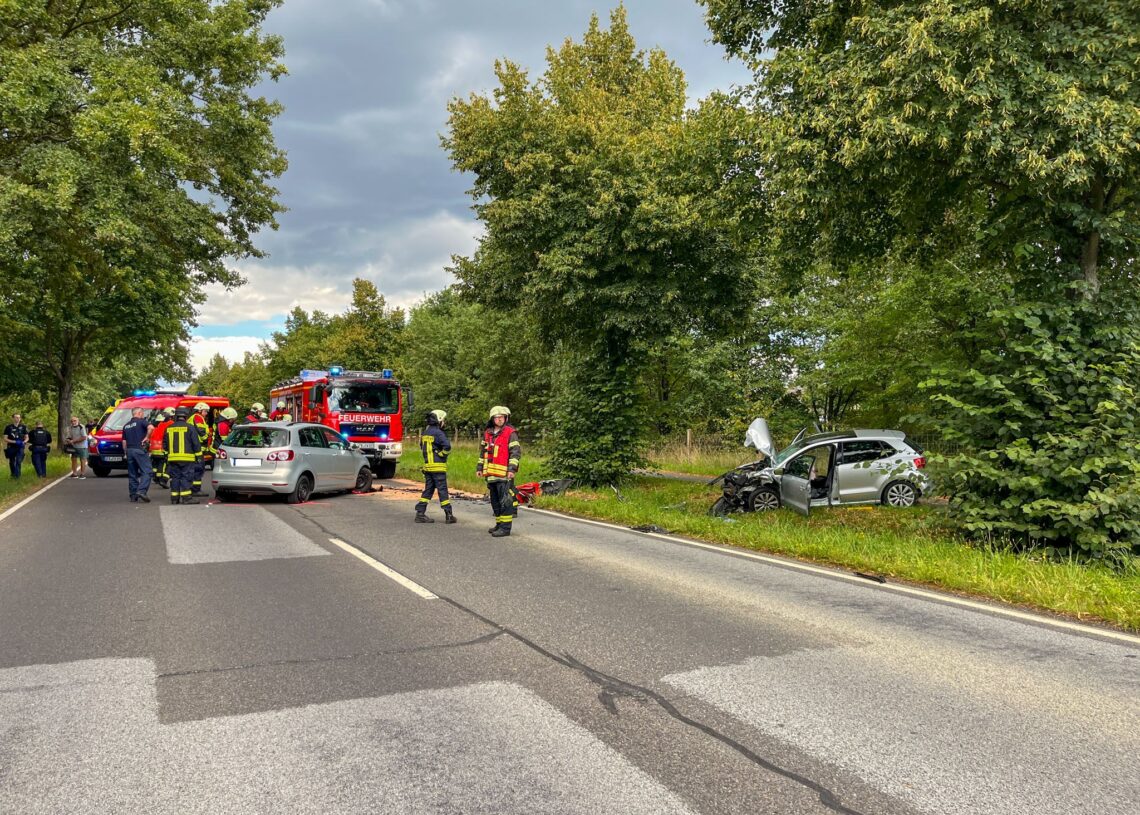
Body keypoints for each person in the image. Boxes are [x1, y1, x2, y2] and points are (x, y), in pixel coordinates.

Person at [477, 405, 521, 537]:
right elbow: (483, 452)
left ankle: (505, 528)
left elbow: (515, 453)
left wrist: (512, 469)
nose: (499, 419)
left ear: (506, 418)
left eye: (502, 417)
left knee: (505, 501)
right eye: (497, 417)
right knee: (495, 501)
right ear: (492, 419)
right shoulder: (487, 433)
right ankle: (499, 523)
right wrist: (479, 468)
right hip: (491, 474)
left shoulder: (510, 433)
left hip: (503, 475)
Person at [415, 409, 455, 524]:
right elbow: (447, 447)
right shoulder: (438, 433)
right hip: (438, 467)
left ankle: (420, 513)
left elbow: (421, 446)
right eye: (443, 420)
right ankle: (449, 515)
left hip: (428, 467)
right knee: (442, 490)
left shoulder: (425, 433)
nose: (444, 422)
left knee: (428, 490)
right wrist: (441, 455)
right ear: (439, 420)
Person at [164, 407, 202, 505]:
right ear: (186, 416)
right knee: (186, 477)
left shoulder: (169, 428)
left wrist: (168, 455)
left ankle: (174, 498)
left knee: (175, 478)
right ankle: (186, 498)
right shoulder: (190, 427)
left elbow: (165, 444)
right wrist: (199, 457)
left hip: (173, 458)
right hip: (187, 459)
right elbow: (196, 444)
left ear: (176, 416)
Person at [121, 407, 153, 503]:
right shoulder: (141, 421)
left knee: (132, 474)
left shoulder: (126, 425)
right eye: (142, 413)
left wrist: (125, 452)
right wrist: (147, 437)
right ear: (139, 413)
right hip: (139, 449)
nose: (143, 415)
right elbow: (151, 427)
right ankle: (141, 491)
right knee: (147, 471)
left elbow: (124, 442)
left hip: (129, 451)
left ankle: (133, 495)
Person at [149, 408, 176, 488]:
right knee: (166, 464)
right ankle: (163, 480)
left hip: (155, 449)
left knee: (157, 464)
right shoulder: (171, 424)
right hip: (164, 448)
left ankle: (157, 478)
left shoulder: (160, 424)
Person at [188, 402, 210, 496]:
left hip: (194, 446)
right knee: (199, 468)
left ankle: (193, 488)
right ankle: (196, 490)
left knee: (195, 468)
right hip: (198, 447)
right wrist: (206, 438)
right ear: (200, 410)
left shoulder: (192, 417)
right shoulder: (198, 417)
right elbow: (201, 431)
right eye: (205, 411)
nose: (206, 413)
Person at [4, 412, 28, 479]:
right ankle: (13, 474)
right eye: (16, 417)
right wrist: (14, 442)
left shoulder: (23, 427)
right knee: (12, 462)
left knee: (18, 461)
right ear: (13, 418)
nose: (18, 419)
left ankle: (17, 476)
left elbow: (27, 437)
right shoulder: (8, 427)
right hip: (11, 447)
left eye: (19, 417)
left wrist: (24, 442)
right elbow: (5, 438)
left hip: (20, 447)